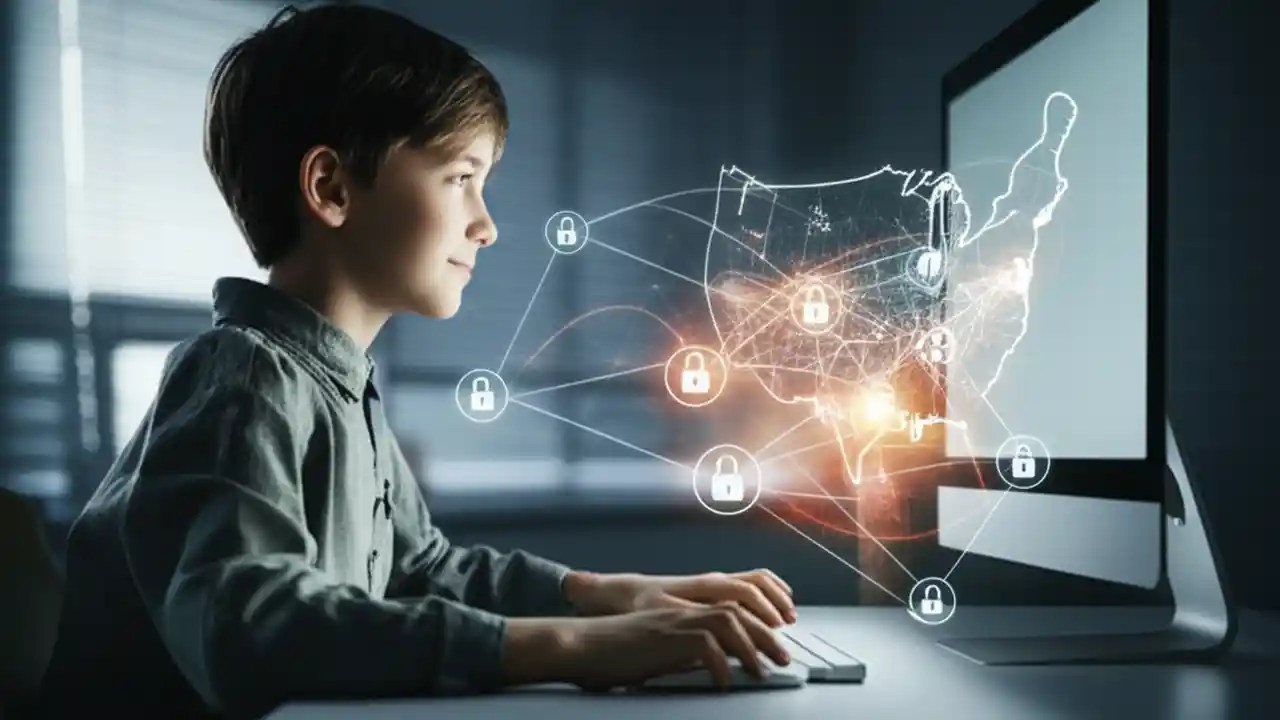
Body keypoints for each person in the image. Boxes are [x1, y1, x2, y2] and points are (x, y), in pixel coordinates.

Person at [35, 4, 795, 718]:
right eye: (461, 178)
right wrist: (571, 647)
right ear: (331, 187)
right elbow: (249, 629)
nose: (488, 226)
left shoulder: (340, 384)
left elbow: (422, 572)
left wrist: (615, 596)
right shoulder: (242, 377)